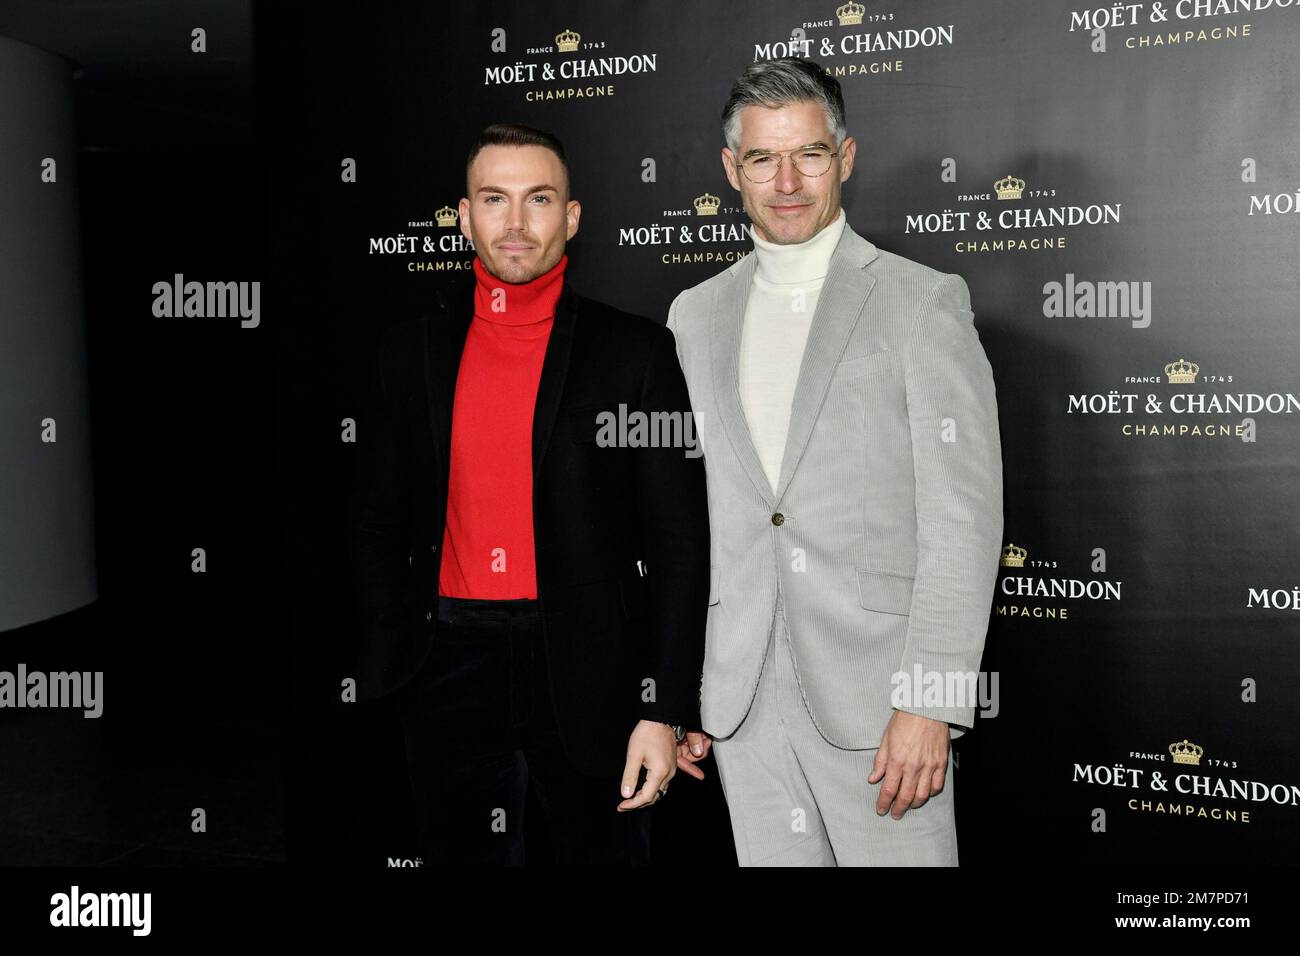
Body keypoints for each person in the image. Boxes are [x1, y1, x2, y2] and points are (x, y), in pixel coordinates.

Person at [667, 59, 1003, 865]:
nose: (786, 181)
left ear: (845, 158)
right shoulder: (692, 316)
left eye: (809, 155)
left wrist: (931, 700)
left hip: (882, 705)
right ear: (731, 171)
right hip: (739, 703)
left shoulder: (922, 302)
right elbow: (681, 518)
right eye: (761, 159)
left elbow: (963, 517)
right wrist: (680, 688)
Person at [347, 123, 709, 865]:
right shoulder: (405, 352)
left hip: (592, 672)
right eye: (494, 199)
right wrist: (398, 648)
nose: (516, 223)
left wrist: (664, 709)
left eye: (538, 199)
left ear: (571, 217)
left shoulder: (635, 353)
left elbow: (678, 543)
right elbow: (373, 521)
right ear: (465, 215)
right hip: (443, 665)